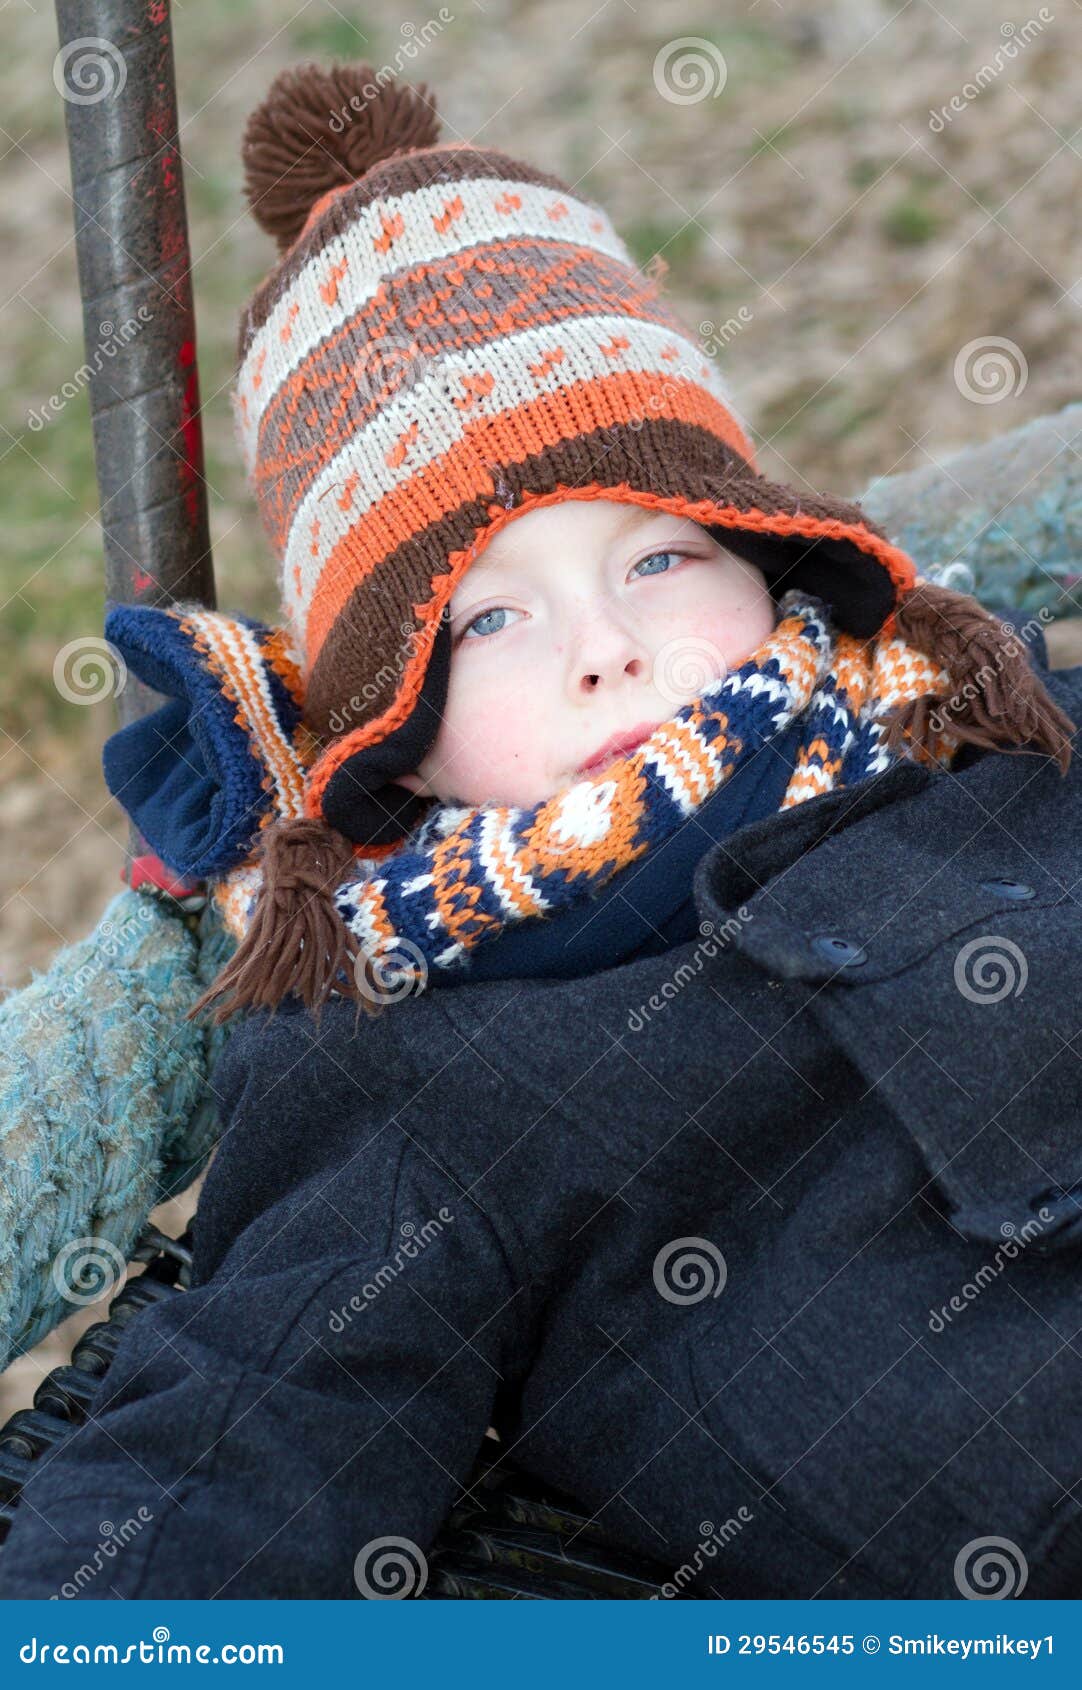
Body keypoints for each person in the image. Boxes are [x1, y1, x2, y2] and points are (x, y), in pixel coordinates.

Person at [1, 60, 1080, 1602]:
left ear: (768, 559)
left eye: (657, 559)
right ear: (401, 740)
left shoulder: (975, 725)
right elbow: (248, 1419)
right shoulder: (427, 1063)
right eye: (489, 616)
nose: (603, 646)